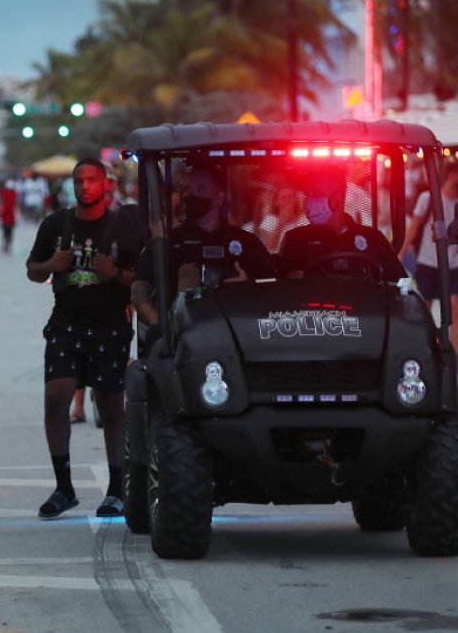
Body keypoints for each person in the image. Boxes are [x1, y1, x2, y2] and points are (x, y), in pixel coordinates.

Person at [25, 158, 141, 519]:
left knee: (111, 408)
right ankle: (64, 488)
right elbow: (31, 269)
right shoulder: (56, 224)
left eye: (92, 180)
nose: (85, 186)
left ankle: (116, 489)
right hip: (66, 324)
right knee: (55, 398)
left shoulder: (124, 225)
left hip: (110, 325)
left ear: (106, 184)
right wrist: (49, 267)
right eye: (79, 180)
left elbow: (144, 277)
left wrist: (116, 273)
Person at [132, 167, 274, 335]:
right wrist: (161, 326)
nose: (193, 196)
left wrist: (246, 287)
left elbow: (273, 290)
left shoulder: (246, 242)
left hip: (238, 332)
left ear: (219, 197)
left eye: (201, 189)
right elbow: (139, 288)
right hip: (183, 335)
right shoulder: (169, 242)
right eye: (189, 190)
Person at [278, 165, 405, 281]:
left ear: (337, 199)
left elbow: (399, 286)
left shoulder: (373, 239)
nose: (308, 202)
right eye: (307, 195)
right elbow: (291, 288)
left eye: (316, 194)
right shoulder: (296, 239)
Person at [402, 162, 458, 349]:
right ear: (450, 175)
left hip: (454, 264)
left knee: (455, 311)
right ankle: (423, 348)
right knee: (423, 310)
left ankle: (454, 356)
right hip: (428, 262)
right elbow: (414, 226)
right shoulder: (428, 198)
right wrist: (401, 252)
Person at [0, 179, 19, 255]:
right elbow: (16, 203)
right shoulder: (13, 193)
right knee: (10, 232)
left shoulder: (3, 192)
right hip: (9, 215)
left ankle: (5, 246)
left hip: (5, 215)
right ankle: (8, 247)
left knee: (5, 232)